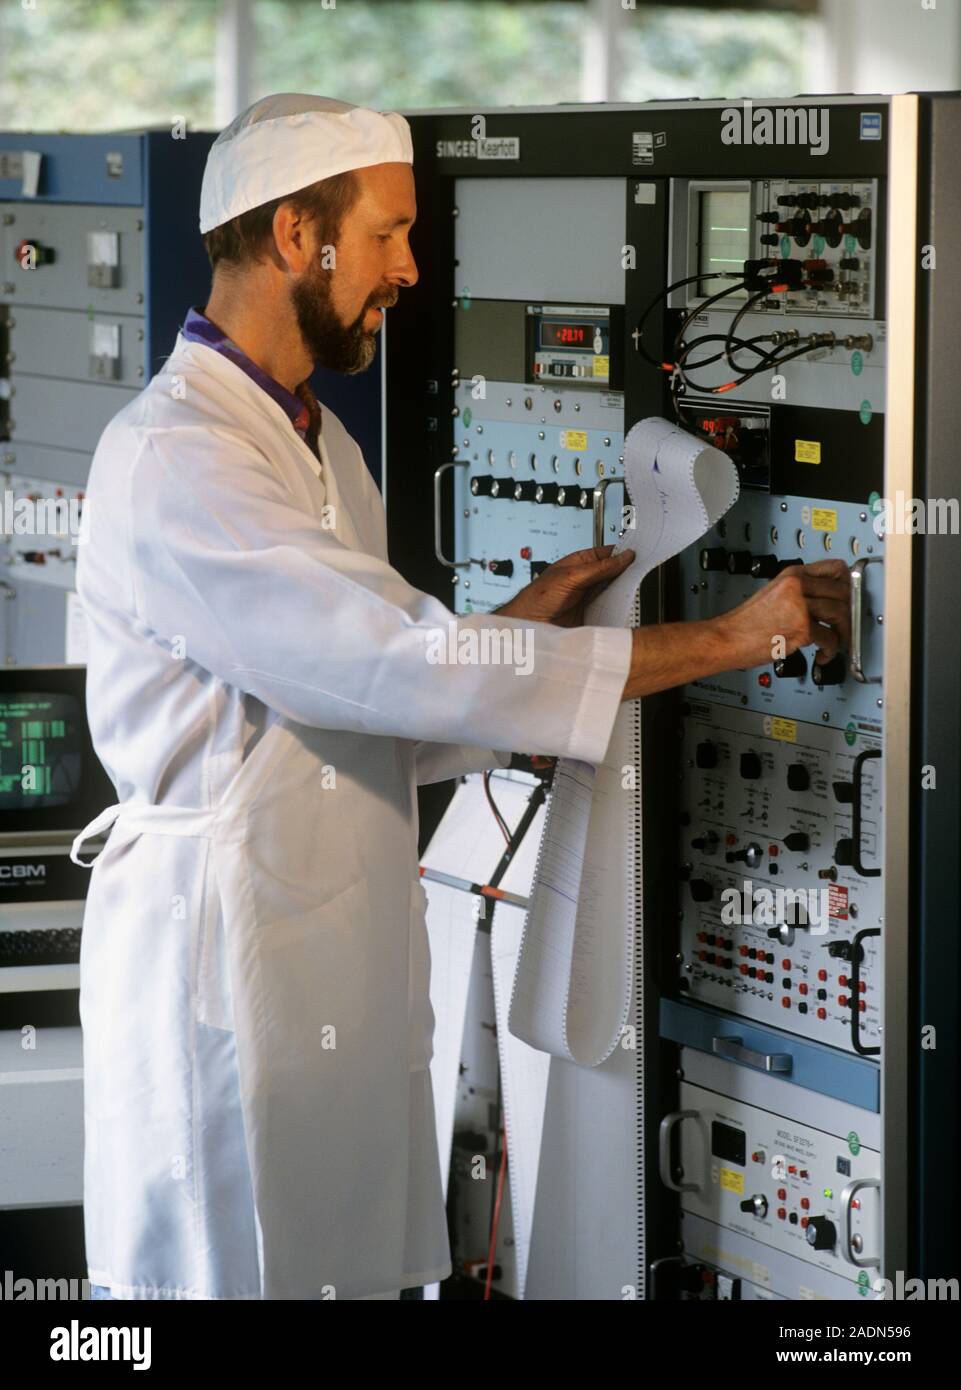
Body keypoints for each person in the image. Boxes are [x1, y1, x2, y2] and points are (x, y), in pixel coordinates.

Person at [72, 93, 850, 1301]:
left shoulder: (315, 441)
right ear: (296, 236)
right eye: (386, 234)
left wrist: (524, 616)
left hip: (328, 965)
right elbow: (400, 666)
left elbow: (362, 698)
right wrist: (734, 636)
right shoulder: (180, 456)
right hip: (229, 980)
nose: (411, 271)